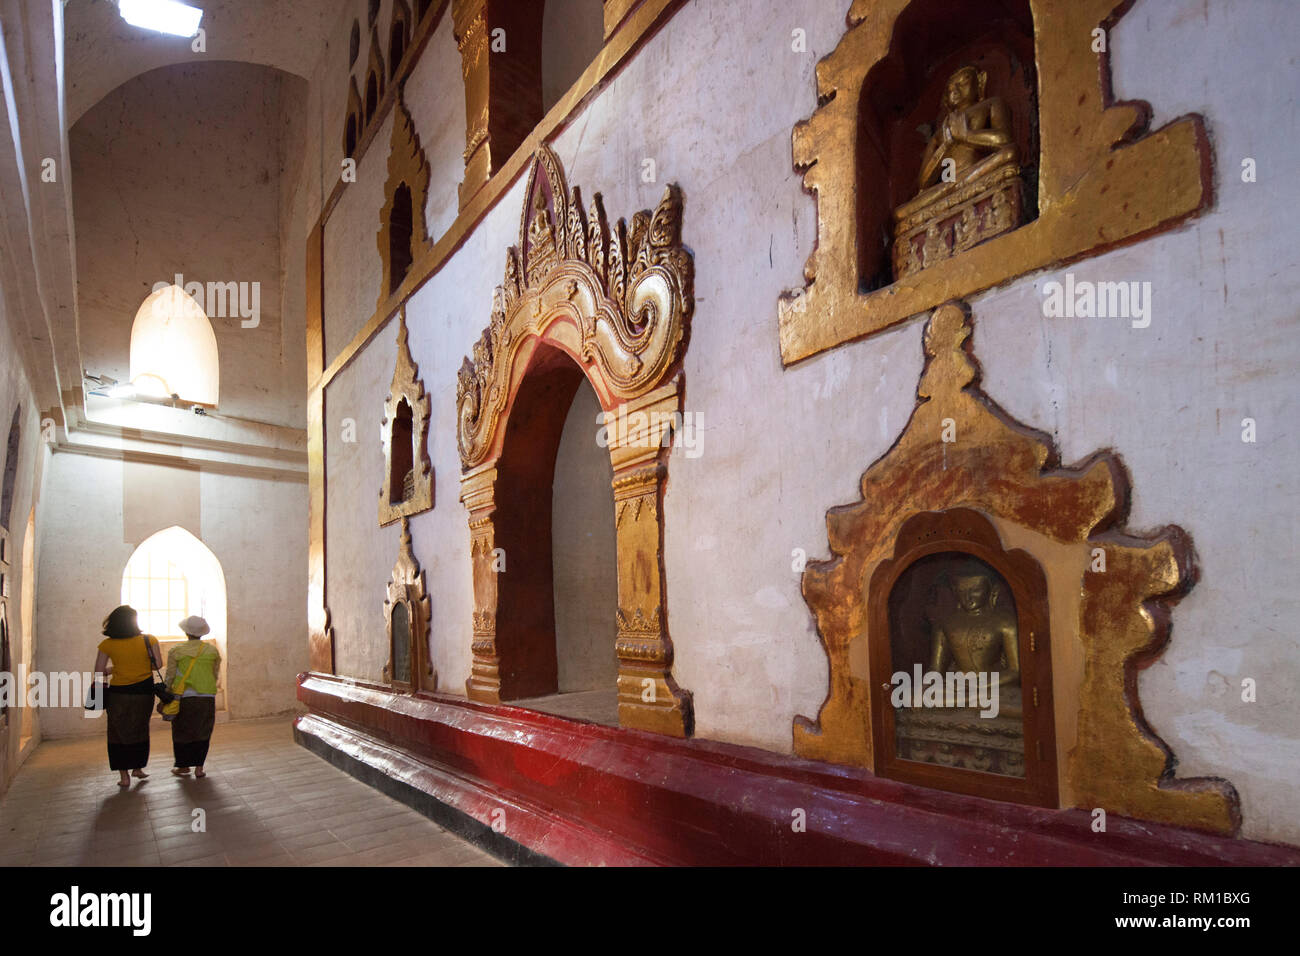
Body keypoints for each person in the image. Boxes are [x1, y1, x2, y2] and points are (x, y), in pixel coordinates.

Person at [94, 605, 161, 788]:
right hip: (144, 692)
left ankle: (124, 777)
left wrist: (116, 668)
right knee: (139, 728)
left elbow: (99, 671)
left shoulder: (107, 644)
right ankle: (137, 768)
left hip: (119, 694)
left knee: (117, 732)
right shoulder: (149, 639)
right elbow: (157, 665)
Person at [165, 615, 221, 778]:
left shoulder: (177, 650)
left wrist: (167, 694)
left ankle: (183, 766)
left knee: (182, 731)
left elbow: (170, 675)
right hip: (207, 696)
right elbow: (214, 673)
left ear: (186, 632)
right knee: (203, 731)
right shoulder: (211, 650)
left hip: (184, 696)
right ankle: (199, 768)